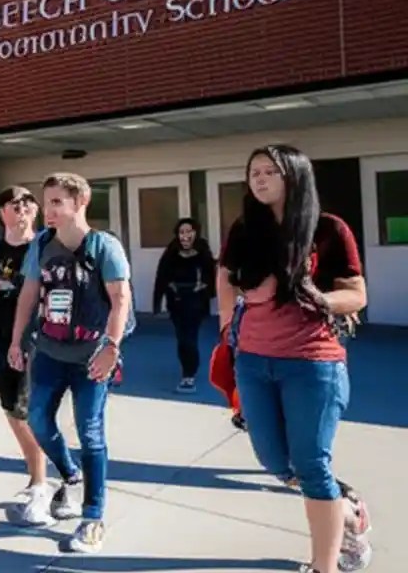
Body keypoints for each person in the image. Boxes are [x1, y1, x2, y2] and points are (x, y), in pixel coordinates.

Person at [217, 144, 371, 573]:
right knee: (271, 458)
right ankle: (346, 511)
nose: (259, 178)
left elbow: (357, 293)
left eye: (270, 171)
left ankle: (325, 564)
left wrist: (319, 298)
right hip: (253, 360)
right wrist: (228, 325)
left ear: (294, 175)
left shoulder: (328, 229)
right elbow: (225, 275)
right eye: (254, 172)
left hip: (312, 363)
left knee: (311, 463)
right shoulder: (245, 229)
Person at [9, 172, 133, 553]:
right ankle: (70, 472)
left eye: (57, 202)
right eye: (46, 203)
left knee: (90, 432)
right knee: (38, 419)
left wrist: (111, 347)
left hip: (92, 357)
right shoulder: (42, 245)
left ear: (81, 202)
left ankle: (92, 518)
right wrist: (17, 341)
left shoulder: (104, 247)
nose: (48, 210)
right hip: (49, 350)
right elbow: (29, 294)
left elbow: (120, 299)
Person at [0, 185, 52, 524]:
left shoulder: (45, 247)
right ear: (2, 213)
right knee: (11, 408)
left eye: (26, 203)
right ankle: (39, 477)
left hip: (34, 339)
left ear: (34, 211)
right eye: (12, 203)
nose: (20, 208)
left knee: (28, 411)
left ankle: (41, 484)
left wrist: (18, 290)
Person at [152, 217, 215, 393]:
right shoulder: (172, 251)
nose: (185, 236)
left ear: (196, 232)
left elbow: (213, 276)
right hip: (177, 302)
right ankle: (187, 369)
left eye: (189, 231)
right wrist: (157, 304)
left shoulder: (203, 251)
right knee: (182, 338)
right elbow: (161, 277)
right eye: (182, 232)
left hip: (196, 302)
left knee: (190, 337)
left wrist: (206, 290)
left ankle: (189, 376)